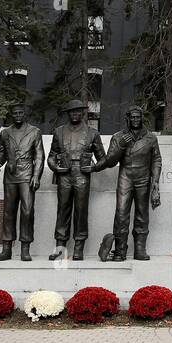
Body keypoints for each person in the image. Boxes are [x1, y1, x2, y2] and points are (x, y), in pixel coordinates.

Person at [89, 105, 162, 261]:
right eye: (132, 117)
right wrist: (121, 145)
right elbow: (110, 161)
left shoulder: (150, 138)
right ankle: (120, 250)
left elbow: (156, 160)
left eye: (138, 117)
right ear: (127, 119)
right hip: (125, 178)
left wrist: (155, 183)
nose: (135, 120)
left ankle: (140, 249)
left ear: (142, 118)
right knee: (121, 214)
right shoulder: (118, 137)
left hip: (143, 179)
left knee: (142, 214)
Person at [46, 99, 105, 261]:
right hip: (64, 174)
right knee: (62, 210)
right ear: (68, 113)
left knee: (81, 211)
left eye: (78, 111)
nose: (75, 114)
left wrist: (93, 168)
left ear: (83, 113)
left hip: (82, 175)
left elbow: (103, 159)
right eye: (72, 111)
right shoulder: (59, 132)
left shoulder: (93, 133)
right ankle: (60, 248)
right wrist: (55, 168)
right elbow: (51, 156)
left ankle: (79, 247)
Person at [0, 104, 44, 262]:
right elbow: (1, 152)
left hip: (27, 174)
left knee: (27, 211)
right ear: (11, 115)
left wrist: (36, 176)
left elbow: (39, 156)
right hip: (10, 175)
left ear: (25, 114)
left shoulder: (34, 132)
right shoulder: (5, 133)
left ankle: (25, 247)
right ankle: (6, 248)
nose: (18, 115)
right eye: (15, 113)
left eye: (21, 112)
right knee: (8, 211)